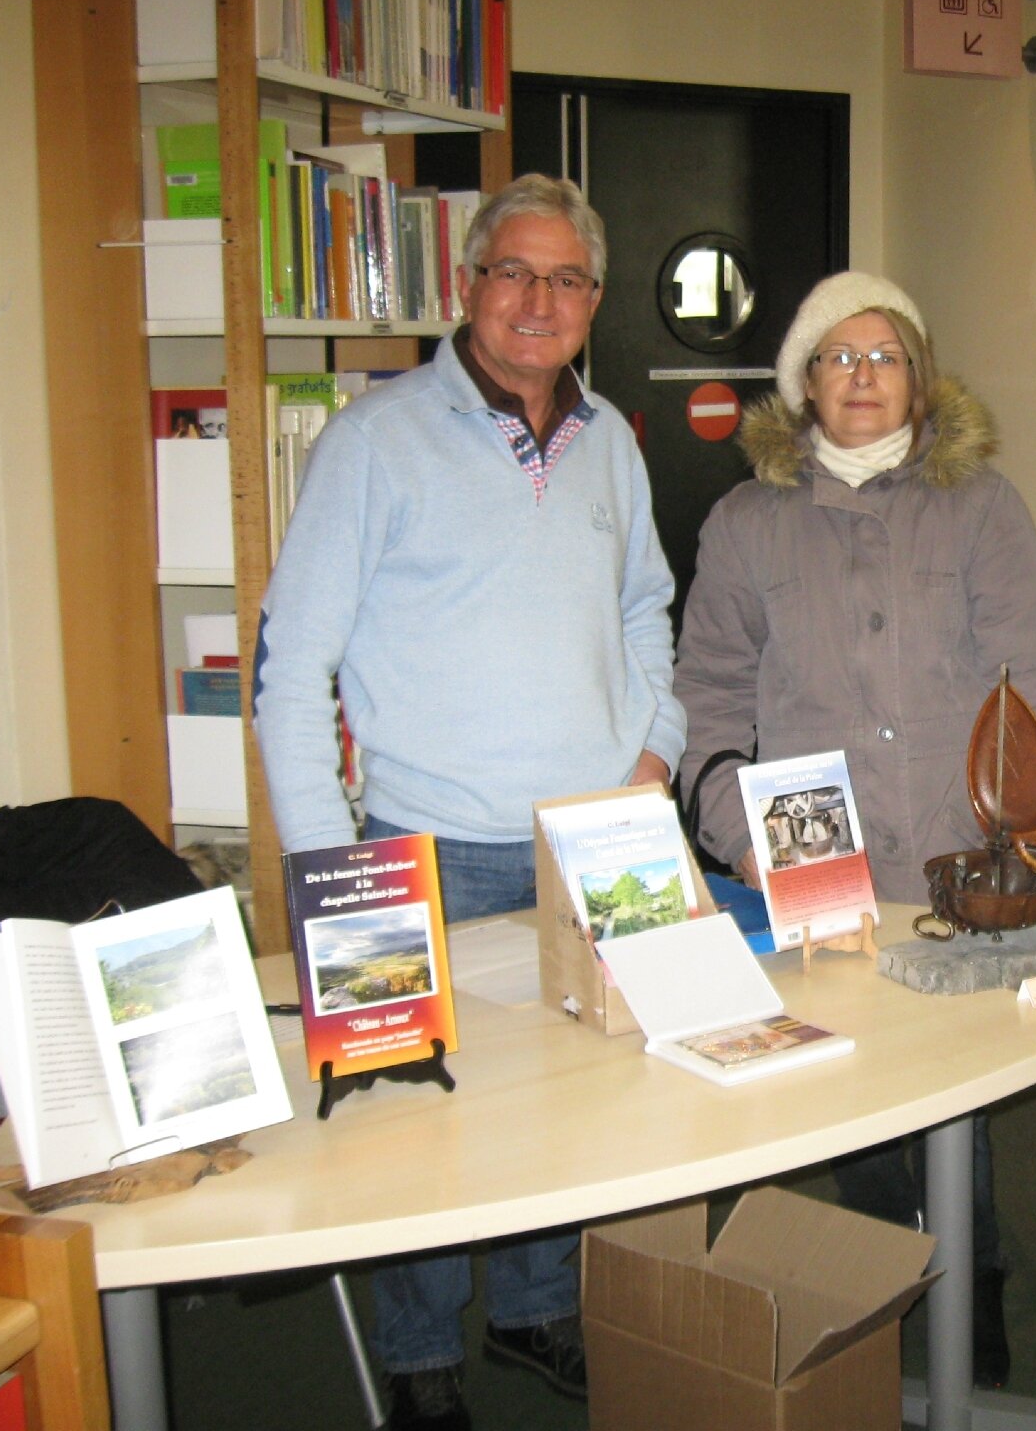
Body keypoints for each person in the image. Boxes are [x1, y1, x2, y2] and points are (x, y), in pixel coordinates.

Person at [254, 173, 685, 1431]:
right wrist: (330, 875)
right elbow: (293, 669)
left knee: (574, 1103)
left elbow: (643, 608)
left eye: (564, 280)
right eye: (513, 273)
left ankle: (538, 1309)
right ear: (467, 285)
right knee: (409, 1126)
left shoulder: (610, 439)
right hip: (414, 848)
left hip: (590, 843)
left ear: (594, 302)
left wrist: (650, 752)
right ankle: (418, 1354)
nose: (536, 302)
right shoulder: (375, 440)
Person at [674, 271, 1036, 1388]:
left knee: (956, 1105)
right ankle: (872, 1281)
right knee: (846, 1094)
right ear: (802, 383)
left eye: (883, 355)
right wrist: (733, 831)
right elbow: (708, 696)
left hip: (956, 859)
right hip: (813, 865)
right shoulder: (745, 522)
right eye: (836, 357)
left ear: (919, 377)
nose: (860, 377)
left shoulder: (982, 505)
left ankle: (972, 1284)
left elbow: (1033, 684)